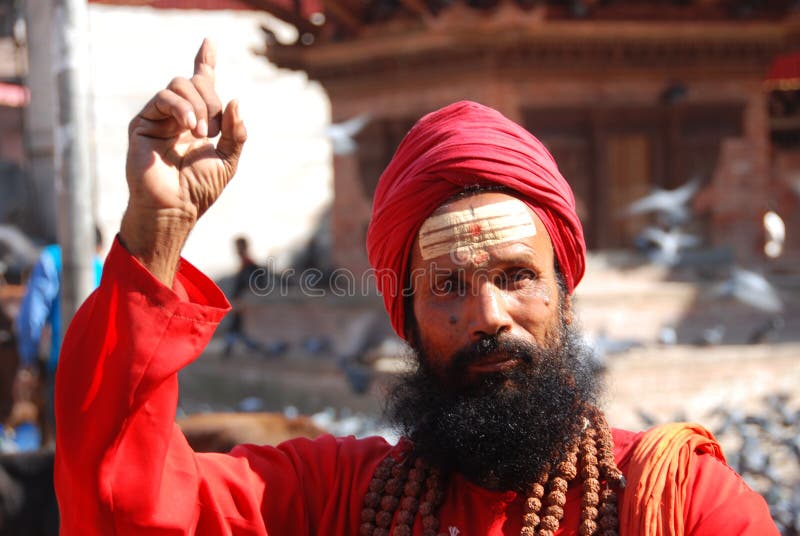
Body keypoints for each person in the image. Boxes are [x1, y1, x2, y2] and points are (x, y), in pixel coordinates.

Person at [53, 40, 777, 535]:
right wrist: (158, 232)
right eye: (449, 287)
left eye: (517, 277)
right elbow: (127, 502)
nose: (488, 316)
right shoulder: (338, 499)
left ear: (564, 289)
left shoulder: (681, 503)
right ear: (406, 316)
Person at [15, 227, 103, 441]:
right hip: (102, 369)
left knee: (62, 443)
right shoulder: (103, 266)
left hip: (62, 364)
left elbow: (32, 318)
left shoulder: (50, 259)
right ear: (98, 246)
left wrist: (29, 359)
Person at [223, 235, 264, 357]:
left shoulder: (250, 265)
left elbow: (256, 283)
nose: (236, 251)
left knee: (238, 326)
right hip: (240, 302)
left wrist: (246, 298)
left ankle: (231, 350)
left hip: (244, 303)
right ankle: (249, 347)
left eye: (238, 247)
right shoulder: (245, 265)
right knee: (238, 326)